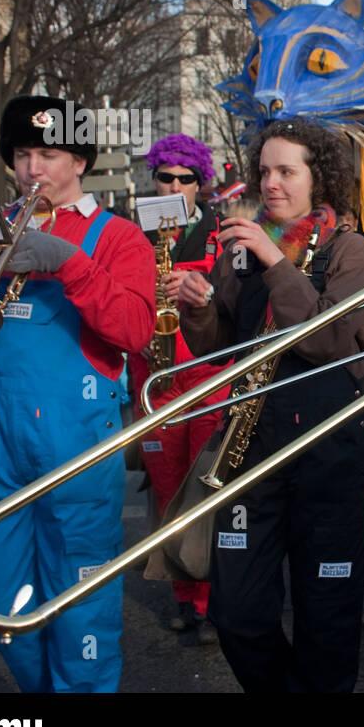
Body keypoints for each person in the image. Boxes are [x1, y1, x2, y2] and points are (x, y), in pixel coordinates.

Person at [0, 94, 155, 693]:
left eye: (48, 154)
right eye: (22, 154)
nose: (32, 169)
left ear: (79, 162)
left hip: (78, 448)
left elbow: (136, 330)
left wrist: (72, 266)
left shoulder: (118, 237)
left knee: (81, 603)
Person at [177, 118, 364, 692]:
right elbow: (219, 347)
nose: (272, 184)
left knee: (327, 618)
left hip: (327, 451)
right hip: (252, 447)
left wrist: (275, 260)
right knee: (237, 614)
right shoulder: (244, 244)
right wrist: (199, 306)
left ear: (319, 178)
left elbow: (331, 339)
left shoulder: (349, 247)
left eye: (287, 171)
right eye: (265, 171)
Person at [129, 134, 226, 644]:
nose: (173, 185)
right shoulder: (132, 234)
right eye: (164, 177)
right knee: (168, 494)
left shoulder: (220, 232)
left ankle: (213, 600)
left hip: (209, 376)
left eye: (184, 178)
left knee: (206, 491)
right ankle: (184, 598)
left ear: (199, 183)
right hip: (156, 377)